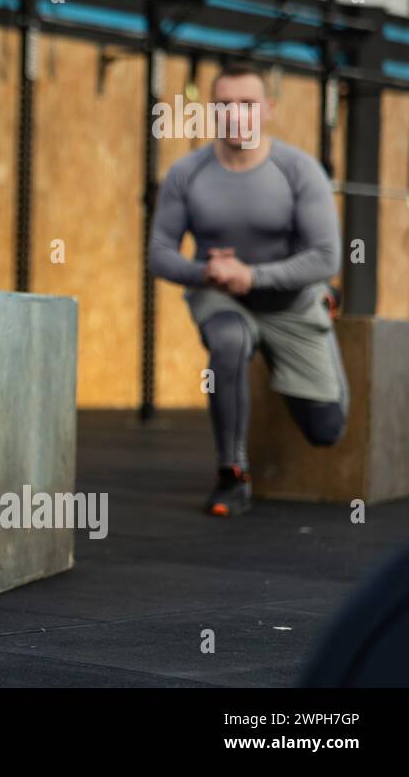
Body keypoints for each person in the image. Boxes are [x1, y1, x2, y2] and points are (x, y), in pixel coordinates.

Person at [149, 62, 348, 517]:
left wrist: (253, 276)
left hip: (290, 303)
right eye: (224, 105)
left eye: (247, 105)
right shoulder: (187, 173)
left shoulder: (300, 171)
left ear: (268, 110)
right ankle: (232, 476)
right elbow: (160, 253)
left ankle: (324, 300)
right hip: (221, 296)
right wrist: (208, 274)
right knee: (228, 339)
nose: (236, 115)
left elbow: (325, 257)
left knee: (326, 429)